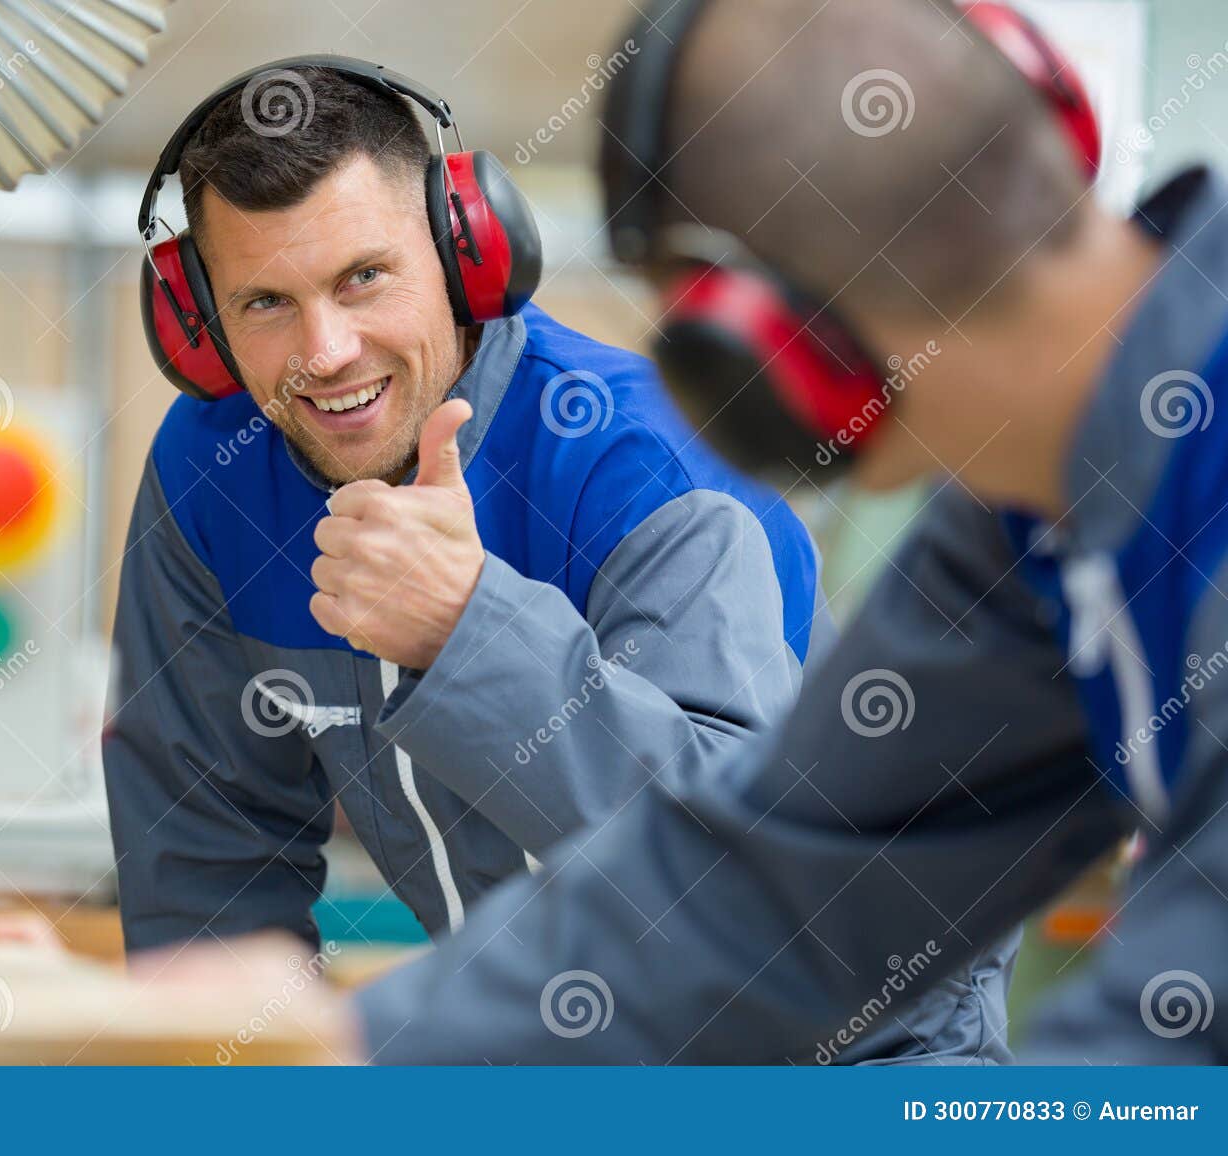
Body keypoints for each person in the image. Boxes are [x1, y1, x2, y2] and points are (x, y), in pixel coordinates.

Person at [332, 0, 1228, 1063]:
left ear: (758, 338)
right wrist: (337, 1053)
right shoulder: (1030, 529)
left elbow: (1165, 1044)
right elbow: (772, 884)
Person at [107, 54, 1016, 1061]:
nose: (325, 351)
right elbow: (206, 868)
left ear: (463, 257)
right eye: (265, 303)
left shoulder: (653, 465)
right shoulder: (209, 479)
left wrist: (469, 632)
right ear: (199, 327)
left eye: (364, 278)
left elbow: (730, 876)